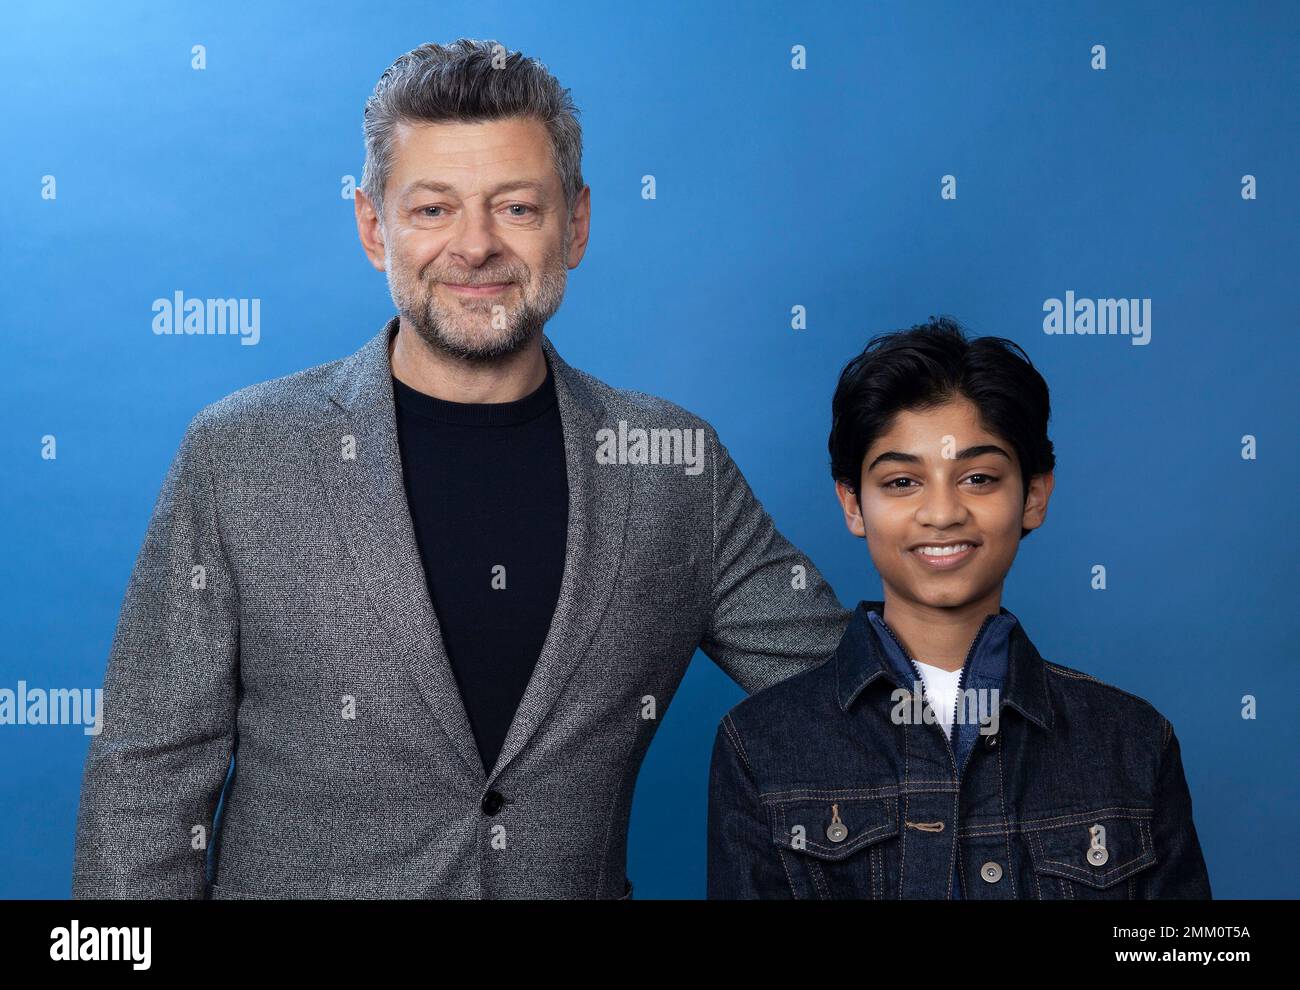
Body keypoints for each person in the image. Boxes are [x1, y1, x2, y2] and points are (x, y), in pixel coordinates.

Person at [71, 39, 850, 900]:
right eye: (434, 209)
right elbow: (144, 780)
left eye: (516, 207)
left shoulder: (674, 465)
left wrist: (949, 539)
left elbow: (858, 695)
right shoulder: (239, 453)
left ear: (577, 224)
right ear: (375, 228)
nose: (475, 247)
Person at [707, 317, 1211, 899]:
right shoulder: (759, 745)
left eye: (978, 477)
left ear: (1034, 496)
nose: (942, 512)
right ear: (853, 505)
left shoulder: (1133, 740)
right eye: (901, 482)